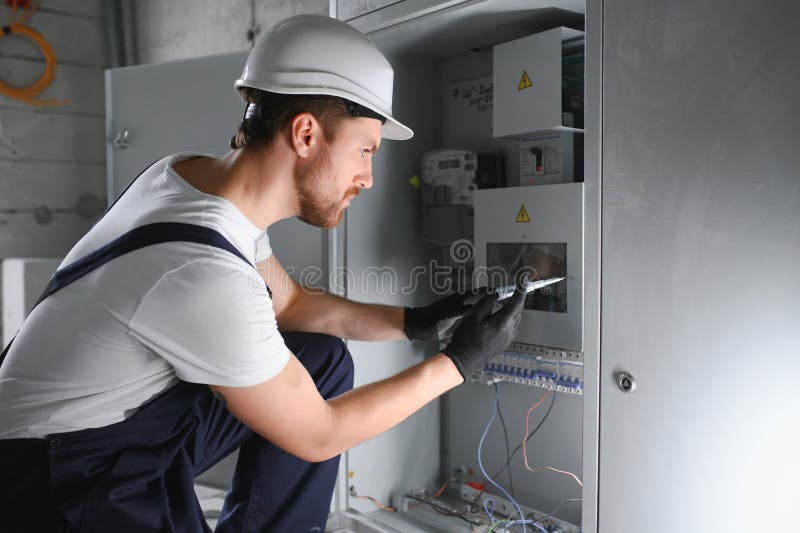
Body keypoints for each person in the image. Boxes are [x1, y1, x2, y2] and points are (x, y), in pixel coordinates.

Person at [0, 14, 525, 532]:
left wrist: (416, 322)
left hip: (110, 427)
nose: (367, 177)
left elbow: (289, 304)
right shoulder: (203, 272)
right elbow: (319, 434)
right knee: (307, 412)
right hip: (55, 480)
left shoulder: (188, 176)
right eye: (365, 150)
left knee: (318, 358)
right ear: (305, 133)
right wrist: (458, 363)